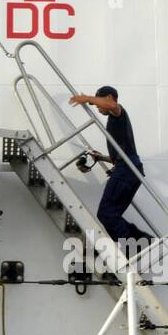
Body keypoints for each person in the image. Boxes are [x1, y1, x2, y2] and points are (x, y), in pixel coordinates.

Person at [68, 86, 153, 245]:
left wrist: (86, 98)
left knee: (106, 214)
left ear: (109, 97)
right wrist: (101, 158)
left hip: (125, 171)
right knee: (111, 215)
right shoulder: (115, 121)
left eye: (99, 103)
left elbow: (113, 106)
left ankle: (134, 240)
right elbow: (123, 154)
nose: (98, 107)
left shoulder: (117, 114)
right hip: (129, 170)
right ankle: (138, 238)